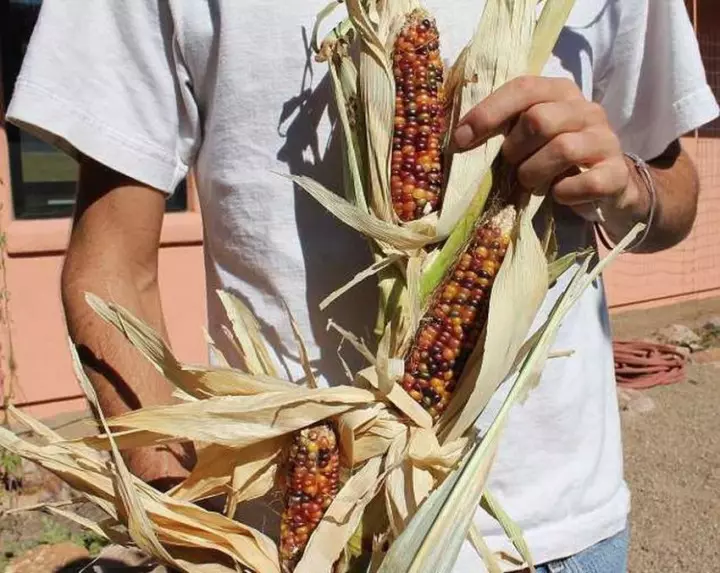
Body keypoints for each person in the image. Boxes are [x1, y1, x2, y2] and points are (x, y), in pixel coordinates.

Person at [6, 0, 718, 571]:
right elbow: (111, 271)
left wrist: (625, 185)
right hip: (288, 539)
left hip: (560, 535)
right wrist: (182, 524)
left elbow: (673, 195)